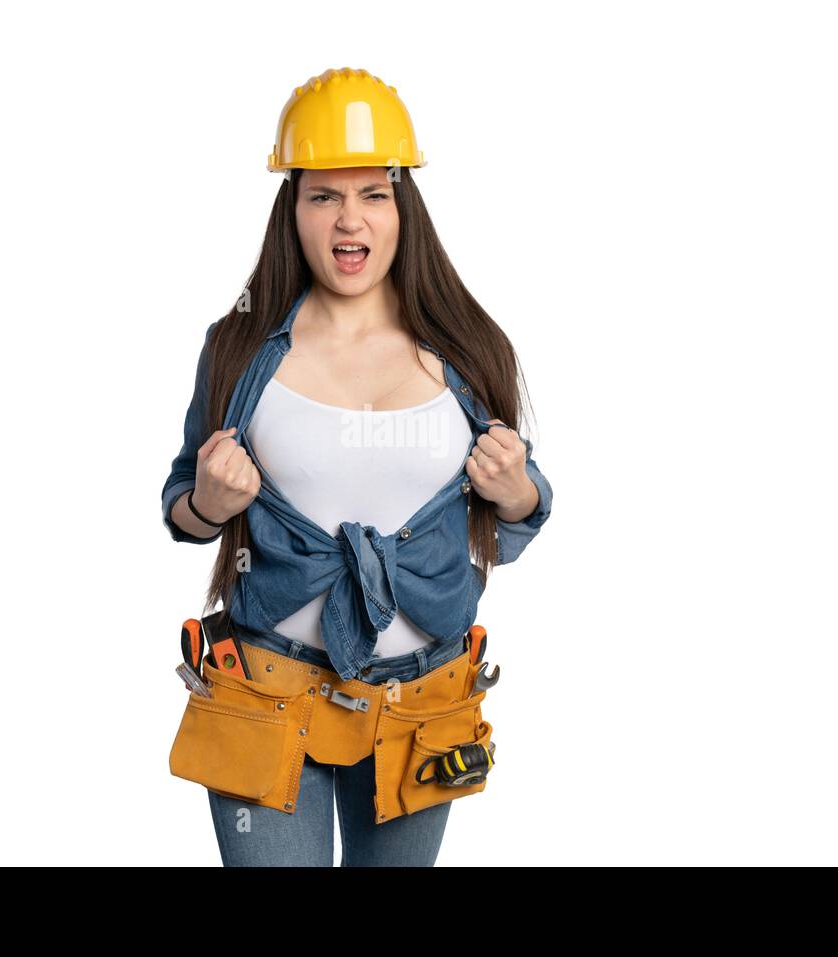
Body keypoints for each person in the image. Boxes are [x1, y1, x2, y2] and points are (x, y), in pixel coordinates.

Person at [162, 67, 554, 866]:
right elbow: (181, 508)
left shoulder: (473, 350)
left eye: (374, 193)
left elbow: (519, 509)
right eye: (323, 196)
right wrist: (205, 500)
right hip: (263, 693)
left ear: (403, 206)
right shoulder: (237, 350)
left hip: (426, 703)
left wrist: (519, 492)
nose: (351, 219)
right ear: (293, 209)